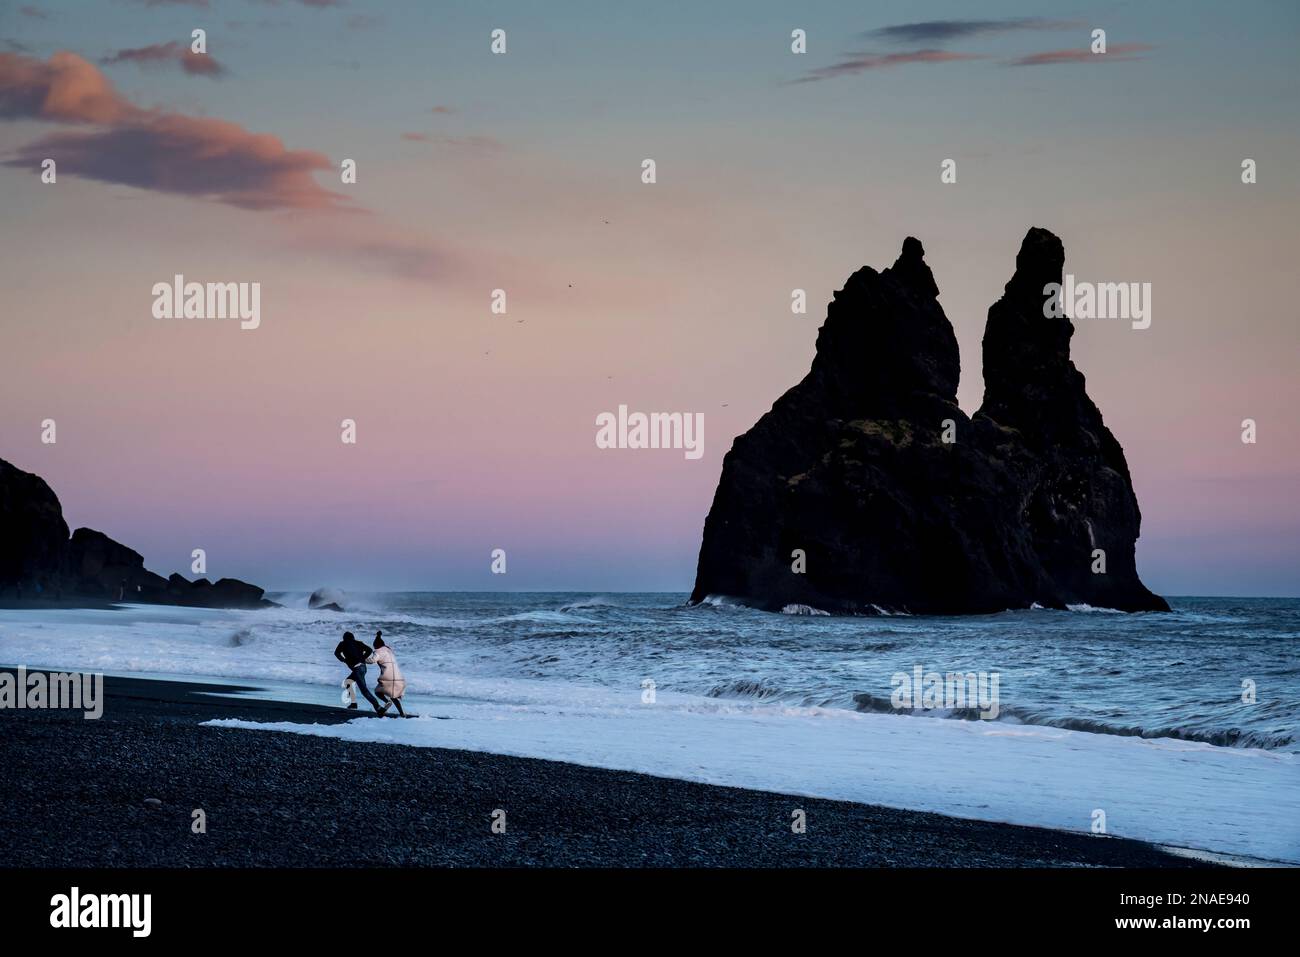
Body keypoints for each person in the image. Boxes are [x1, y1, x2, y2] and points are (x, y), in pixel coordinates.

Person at [334, 630, 381, 713]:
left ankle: (378, 707)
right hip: (363, 667)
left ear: (344, 638)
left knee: (364, 691)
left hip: (357, 669)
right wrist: (362, 658)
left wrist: (343, 660)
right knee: (348, 682)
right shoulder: (358, 643)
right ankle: (353, 704)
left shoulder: (343, 643)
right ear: (353, 637)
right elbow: (369, 650)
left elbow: (336, 653)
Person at [367, 632, 407, 717]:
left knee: (377, 692)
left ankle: (387, 702)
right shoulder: (389, 651)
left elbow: (372, 660)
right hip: (399, 678)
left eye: (374, 646)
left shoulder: (378, 651)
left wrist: (363, 659)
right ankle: (402, 713)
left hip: (389, 678)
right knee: (394, 696)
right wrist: (378, 635)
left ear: (376, 645)